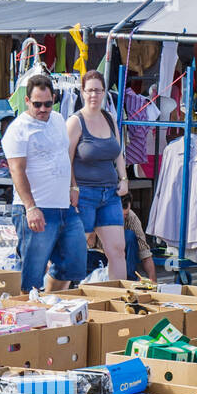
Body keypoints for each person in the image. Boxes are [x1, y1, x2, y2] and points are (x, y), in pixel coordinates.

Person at [4, 74, 87, 292]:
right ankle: (28, 313)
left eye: (48, 104)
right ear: (27, 102)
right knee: (31, 273)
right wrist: (31, 208)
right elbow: (16, 170)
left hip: (64, 206)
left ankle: (50, 303)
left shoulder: (59, 119)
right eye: (38, 104)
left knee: (75, 265)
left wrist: (73, 186)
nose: (43, 109)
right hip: (35, 207)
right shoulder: (18, 129)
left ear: (54, 100)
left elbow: (64, 156)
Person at [67, 70, 129, 281]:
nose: (94, 95)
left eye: (98, 90)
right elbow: (66, 160)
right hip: (84, 194)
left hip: (109, 194)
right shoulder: (75, 122)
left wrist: (124, 179)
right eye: (90, 90)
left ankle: (117, 300)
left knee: (118, 250)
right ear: (82, 92)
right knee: (74, 251)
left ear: (104, 93)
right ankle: (56, 293)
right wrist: (72, 188)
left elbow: (118, 152)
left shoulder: (110, 118)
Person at [89, 195, 156, 281]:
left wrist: (153, 282)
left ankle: (128, 280)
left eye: (125, 215)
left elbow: (145, 254)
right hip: (98, 257)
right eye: (119, 215)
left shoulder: (131, 218)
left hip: (121, 259)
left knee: (129, 236)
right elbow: (89, 244)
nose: (122, 218)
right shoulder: (99, 214)